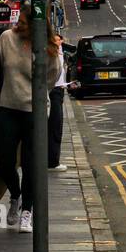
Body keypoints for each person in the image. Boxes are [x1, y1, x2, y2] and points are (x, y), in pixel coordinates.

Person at [0, 4, 62, 234]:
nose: (17, 25)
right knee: (4, 160)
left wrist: (38, 96)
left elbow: (52, 76)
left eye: (22, 23)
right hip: (7, 107)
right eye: (18, 22)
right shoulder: (6, 39)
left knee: (32, 163)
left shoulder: (47, 46)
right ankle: (15, 194)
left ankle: (27, 212)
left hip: (34, 110)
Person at [48, 33, 69, 173]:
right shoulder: (51, 55)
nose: (56, 42)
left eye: (58, 40)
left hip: (59, 91)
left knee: (56, 127)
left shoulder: (62, 54)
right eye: (53, 40)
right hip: (52, 92)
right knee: (54, 127)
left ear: (61, 41)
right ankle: (52, 162)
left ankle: (52, 160)